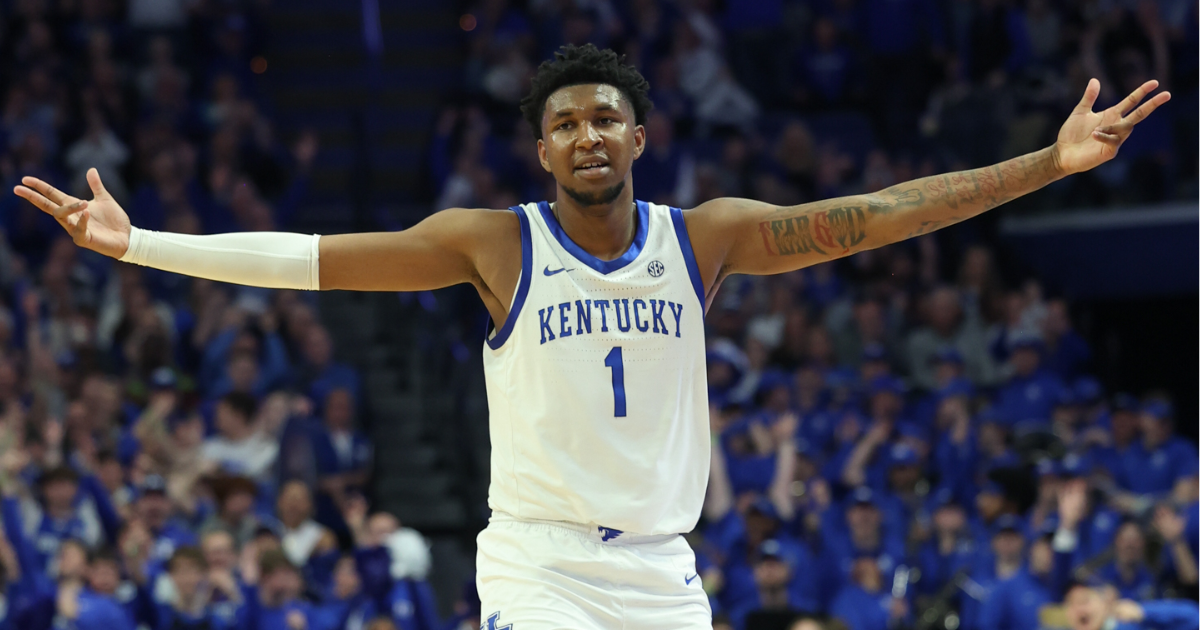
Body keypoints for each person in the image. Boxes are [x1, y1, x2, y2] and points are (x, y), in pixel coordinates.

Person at [14, 41, 1171, 629]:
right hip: (541, 559)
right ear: (542, 150)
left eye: (605, 118)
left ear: (640, 136)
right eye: (564, 122)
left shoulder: (705, 237)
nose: (586, 136)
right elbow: (314, 261)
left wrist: (1046, 165)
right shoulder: (495, 243)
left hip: (666, 571)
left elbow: (878, 216)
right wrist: (138, 245)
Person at [1062, 578, 1199, 630]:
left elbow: (1194, 617)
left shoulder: (1133, 624)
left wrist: (1143, 612)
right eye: (1071, 605)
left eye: (1084, 601)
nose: (1079, 610)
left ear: (1106, 600)